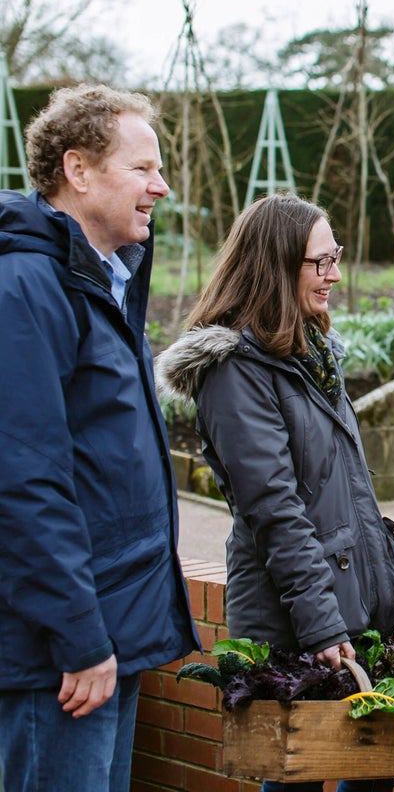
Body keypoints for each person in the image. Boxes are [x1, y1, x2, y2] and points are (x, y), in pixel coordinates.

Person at [155, 193, 394, 792]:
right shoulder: (235, 371)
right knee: (299, 776)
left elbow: (344, 493)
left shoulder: (310, 353)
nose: (335, 275)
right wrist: (325, 627)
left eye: (336, 258)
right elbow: (277, 511)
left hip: (349, 604)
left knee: (372, 768)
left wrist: (388, 596)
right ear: (277, 266)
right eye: (320, 263)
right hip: (295, 619)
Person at [0, 84, 200, 791]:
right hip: (60, 655)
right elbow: (24, 482)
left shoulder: (103, 281)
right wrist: (80, 638)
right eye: (142, 168)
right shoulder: (27, 287)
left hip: (107, 639)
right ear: (77, 170)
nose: (162, 186)